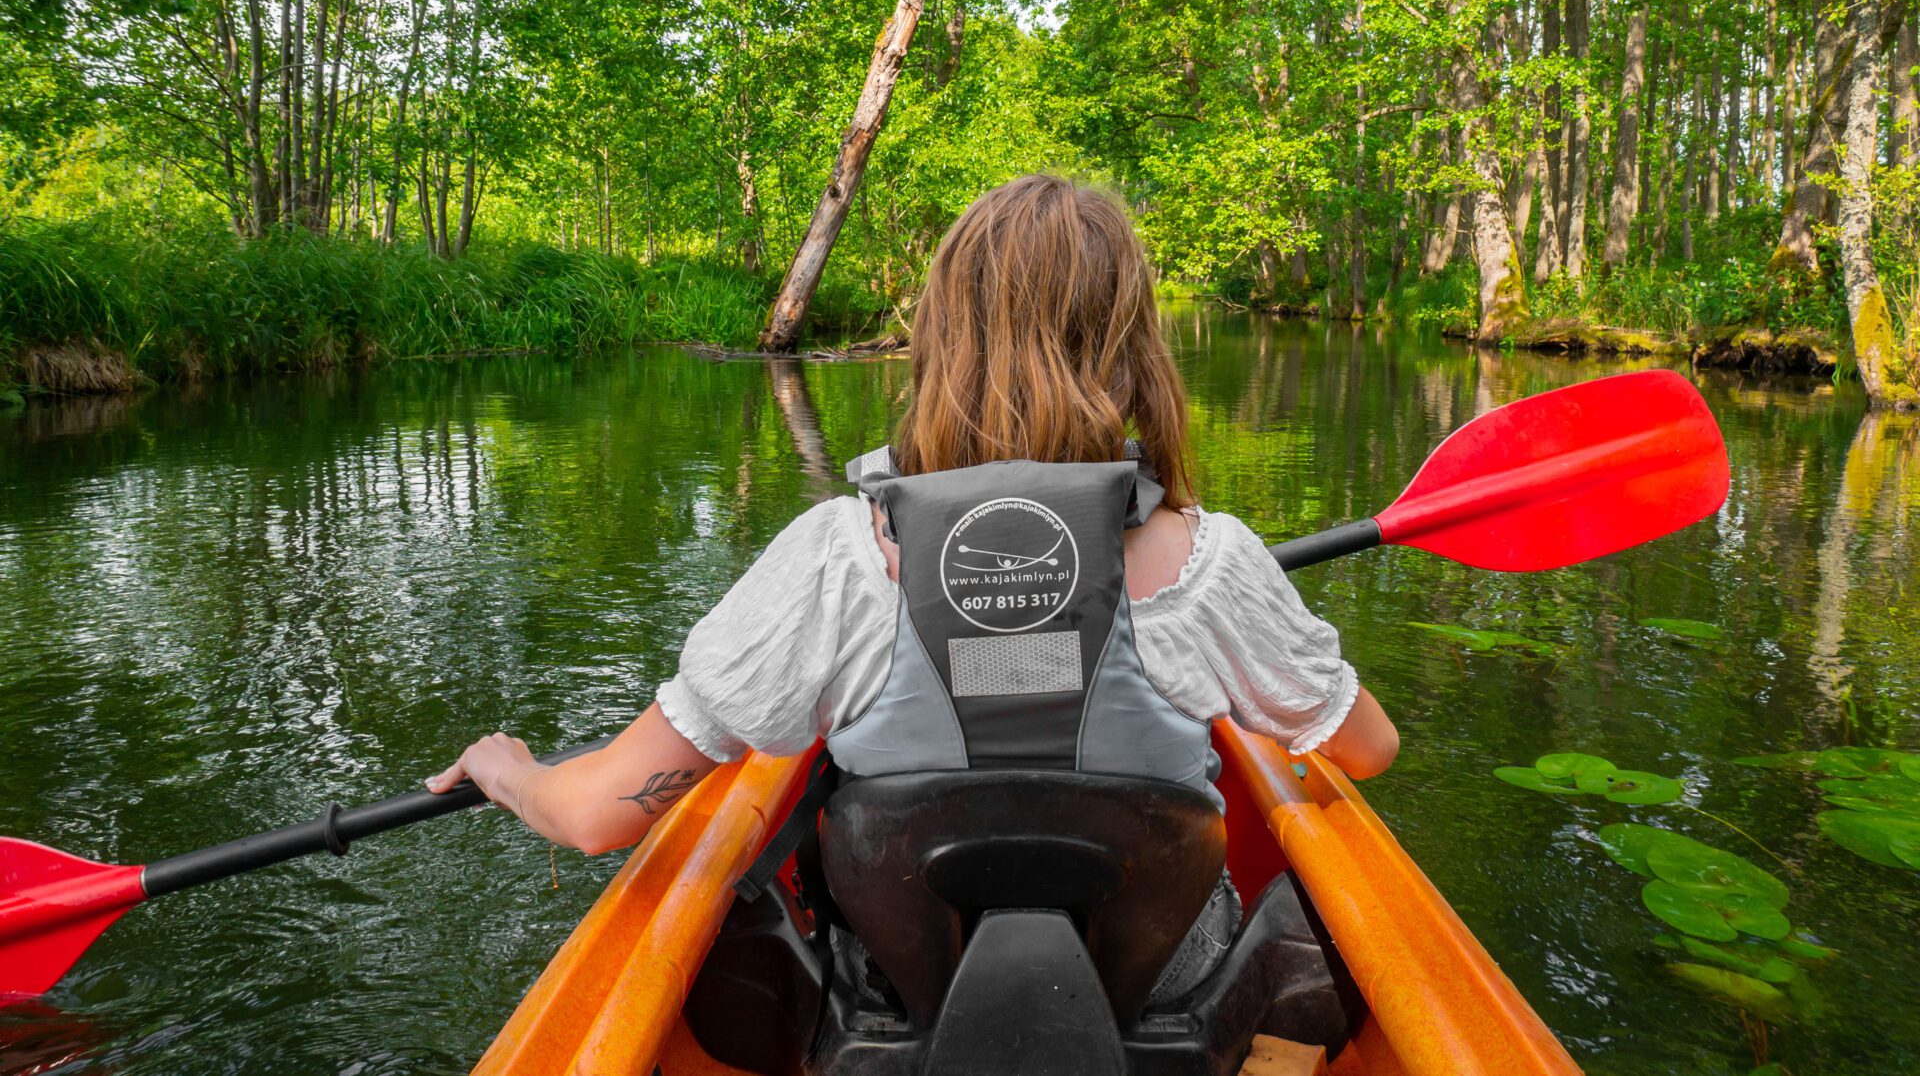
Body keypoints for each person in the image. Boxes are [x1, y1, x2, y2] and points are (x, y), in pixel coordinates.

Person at [428, 175, 1398, 995]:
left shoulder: (837, 562)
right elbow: (1366, 747)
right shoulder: (1211, 565)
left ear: (941, 337)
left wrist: (507, 767)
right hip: (1160, 993)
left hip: (899, 995)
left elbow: (597, 814)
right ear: (1136, 351)